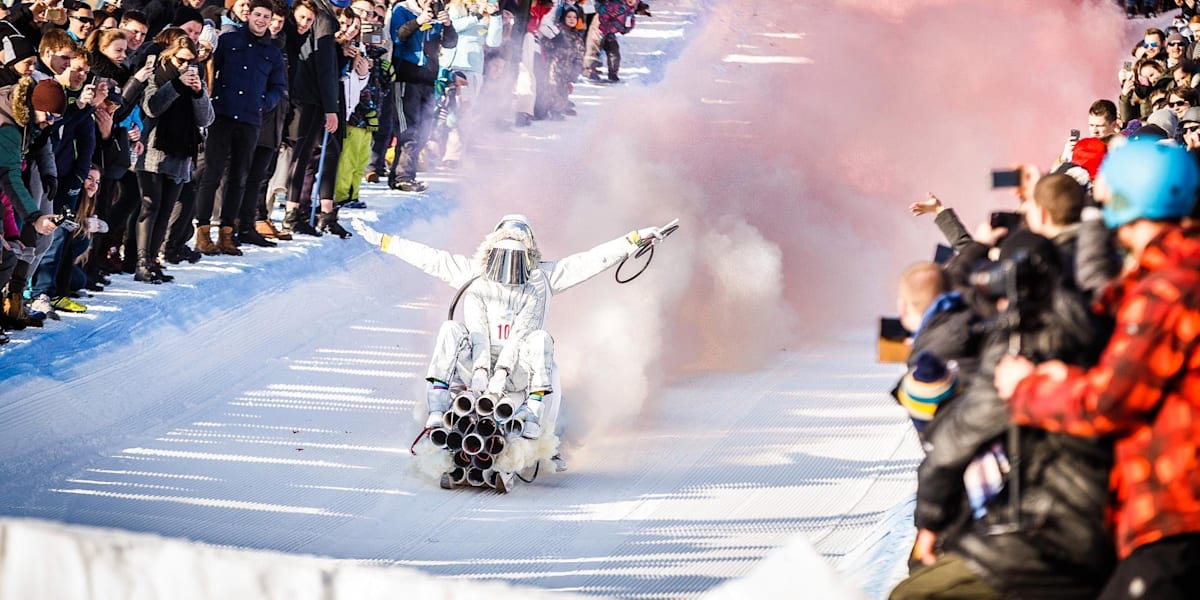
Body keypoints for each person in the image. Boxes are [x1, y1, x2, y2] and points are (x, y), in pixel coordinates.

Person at [995, 140, 1200, 600]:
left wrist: (1026, 388)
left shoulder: (1166, 290)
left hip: (1175, 512)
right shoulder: (1176, 271)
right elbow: (1105, 299)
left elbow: (1105, 403)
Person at [351, 214, 668, 466]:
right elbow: (428, 258)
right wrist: (384, 240)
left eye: (516, 256)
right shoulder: (472, 273)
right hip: (475, 363)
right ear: (490, 250)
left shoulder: (543, 278)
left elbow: (591, 260)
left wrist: (634, 239)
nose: (507, 268)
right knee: (449, 330)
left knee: (543, 343)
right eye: (501, 254)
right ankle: (437, 404)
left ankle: (536, 424)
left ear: (529, 253)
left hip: (521, 371)